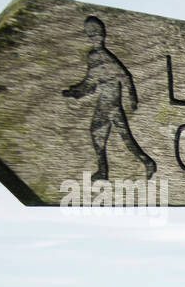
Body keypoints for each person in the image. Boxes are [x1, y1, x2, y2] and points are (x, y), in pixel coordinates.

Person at [62, 16, 156, 181]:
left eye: (95, 32)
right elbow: (91, 83)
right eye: (90, 33)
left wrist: (132, 97)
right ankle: (109, 170)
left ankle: (142, 163)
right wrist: (74, 91)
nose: (93, 36)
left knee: (117, 137)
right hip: (106, 102)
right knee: (110, 135)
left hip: (109, 103)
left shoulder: (101, 56)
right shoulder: (95, 56)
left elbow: (124, 76)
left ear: (102, 34)